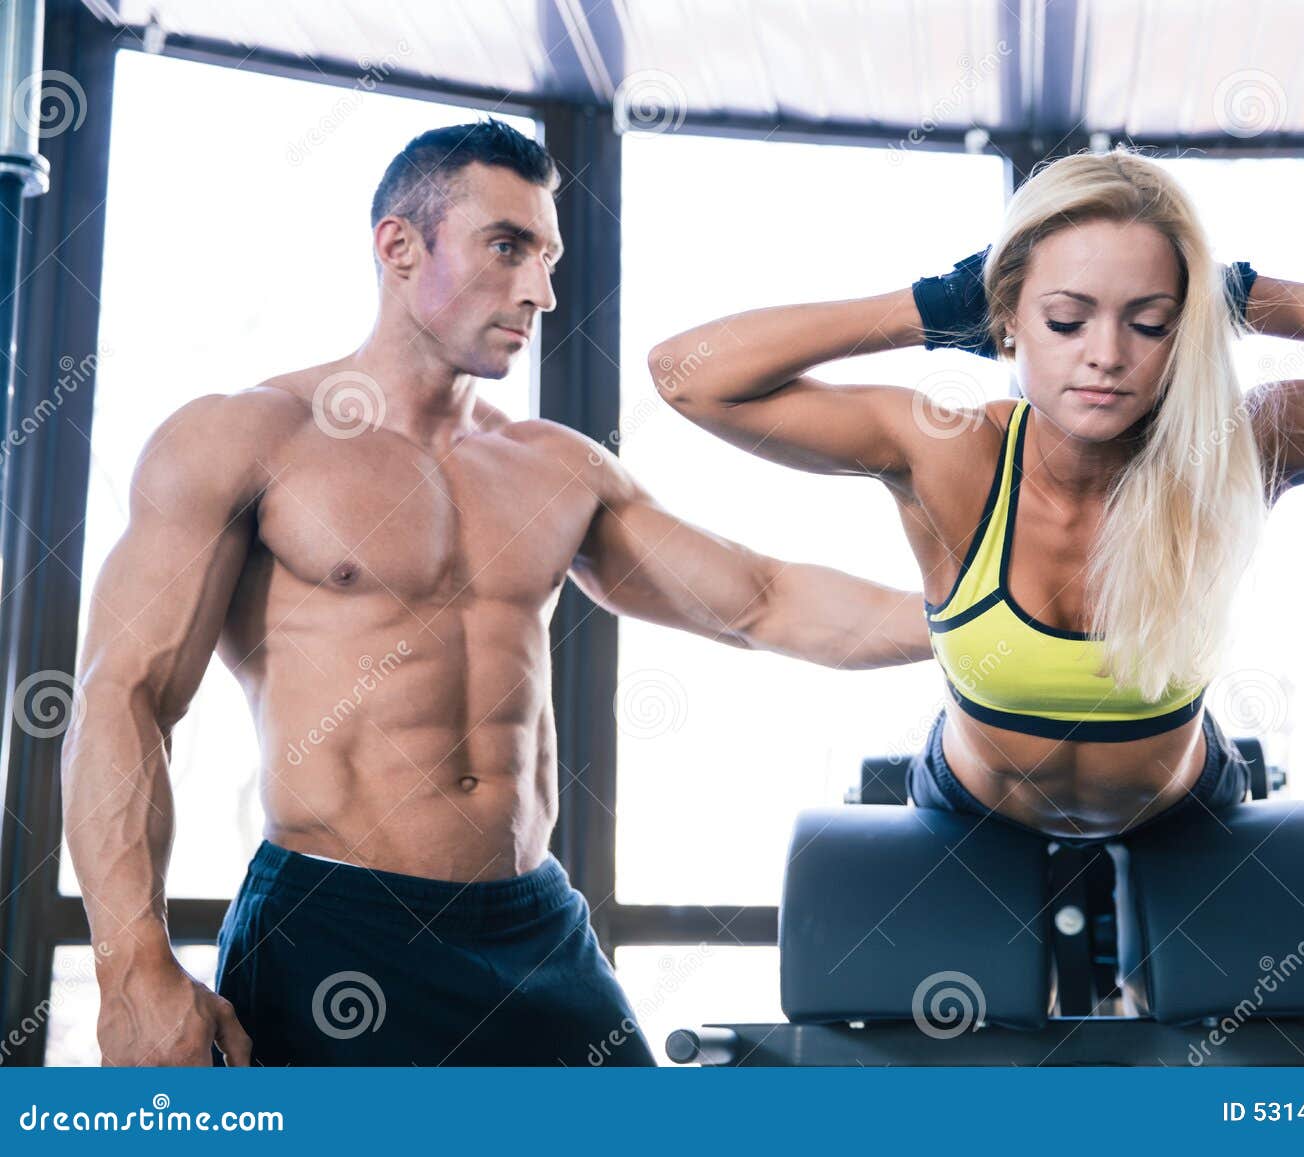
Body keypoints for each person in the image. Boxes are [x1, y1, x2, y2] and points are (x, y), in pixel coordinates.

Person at [60, 118, 931, 1068]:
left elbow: (763, 598)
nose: (540, 290)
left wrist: (986, 626)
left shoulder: (553, 468)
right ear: (399, 246)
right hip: (336, 923)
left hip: (533, 923)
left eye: (548, 257)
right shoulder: (245, 440)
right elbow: (123, 696)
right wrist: (131, 967)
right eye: (507, 247)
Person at [648, 147, 1304, 850]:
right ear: (1006, 321)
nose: (1106, 353)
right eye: (1066, 320)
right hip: (973, 814)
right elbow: (690, 378)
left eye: (1150, 322)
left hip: (1183, 813)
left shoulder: (1236, 446)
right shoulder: (953, 454)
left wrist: (1244, 296)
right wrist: (926, 306)